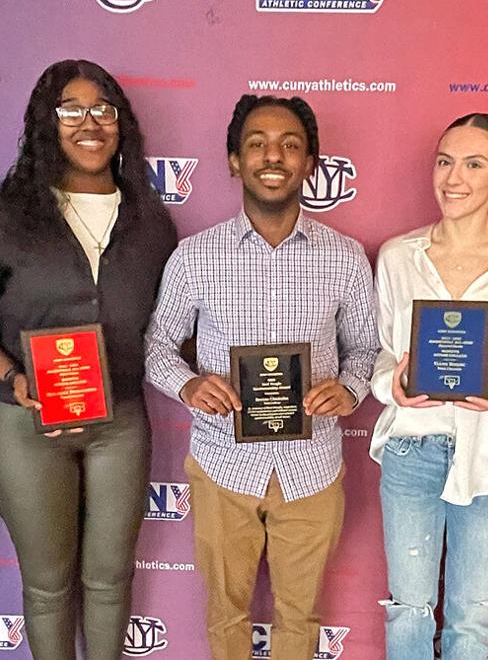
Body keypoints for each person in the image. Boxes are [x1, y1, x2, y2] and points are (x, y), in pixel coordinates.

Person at [0, 59, 177, 660]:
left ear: (122, 124)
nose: (89, 123)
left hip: (119, 422)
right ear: (47, 123)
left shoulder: (151, 222)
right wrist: (12, 374)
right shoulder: (4, 217)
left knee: (110, 580)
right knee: (48, 587)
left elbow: (171, 326)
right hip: (27, 423)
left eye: (103, 109)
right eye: (71, 110)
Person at [144, 94, 379, 660]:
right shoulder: (194, 257)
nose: (274, 156)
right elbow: (157, 347)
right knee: (226, 614)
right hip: (223, 465)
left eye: (290, 145)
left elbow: (367, 350)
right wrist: (188, 385)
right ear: (234, 160)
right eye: (257, 144)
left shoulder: (346, 258)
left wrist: (349, 388)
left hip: (312, 468)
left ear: (310, 163)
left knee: (300, 615)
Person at [370, 113, 488, 660]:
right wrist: (390, 385)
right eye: (445, 162)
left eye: (474, 164)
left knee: (472, 618)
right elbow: (384, 355)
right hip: (411, 449)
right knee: (408, 609)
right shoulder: (398, 257)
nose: (454, 178)